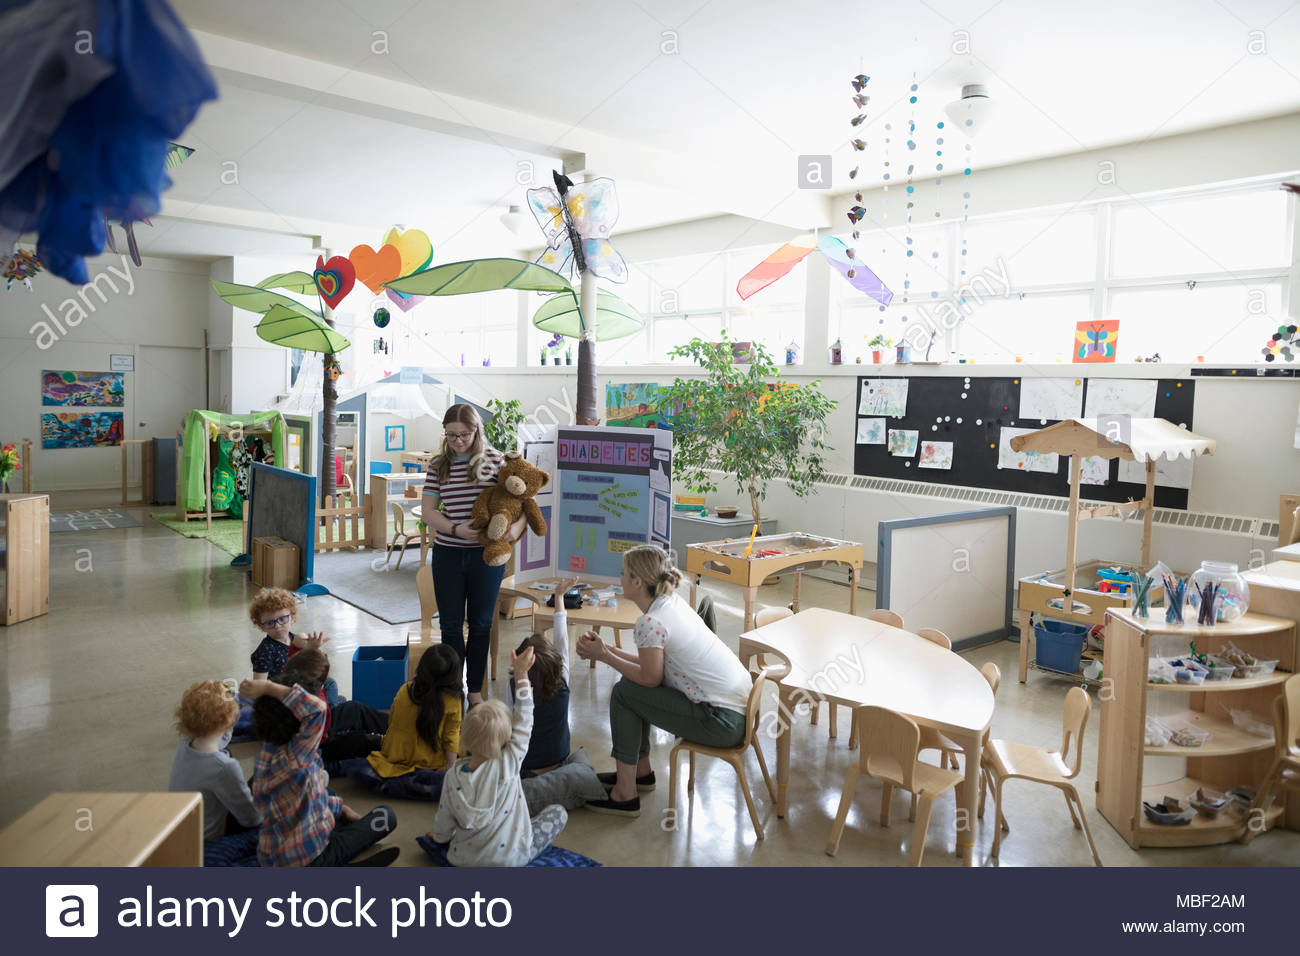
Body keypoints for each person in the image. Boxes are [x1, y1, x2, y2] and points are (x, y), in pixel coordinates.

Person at [578, 545, 752, 818]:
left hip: (722, 721)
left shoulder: (651, 622)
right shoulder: (671, 604)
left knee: (625, 693)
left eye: (623, 574)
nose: (619, 579)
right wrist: (606, 651)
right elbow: (651, 667)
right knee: (631, 687)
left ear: (636, 582)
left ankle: (625, 793)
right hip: (738, 712)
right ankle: (641, 773)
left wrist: (604, 656)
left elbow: (649, 678)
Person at [421, 404, 526, 705]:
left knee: (481, 624)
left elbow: (525, 501)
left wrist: (516, 529)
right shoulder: (438, 465)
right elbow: (429, 511)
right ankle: (453, 689)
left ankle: (476, 691)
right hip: (449, 553)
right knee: (451, 625)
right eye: (451, 435)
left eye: (463, 435)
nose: (457, 441)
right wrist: (454, 529)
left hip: (486, 557)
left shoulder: (496, 461)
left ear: (477, 430)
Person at [430, 646, 569, 866]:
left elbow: (444, 822)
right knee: (558, 813)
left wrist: (439, 838)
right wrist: (521, 675)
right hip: (510, 859)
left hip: (464, 860)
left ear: (465, 738)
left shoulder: (452, 776)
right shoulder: (508, 763)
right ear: (505, 740)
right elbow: (525, 719)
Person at [242, 676, 399, 867]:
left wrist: (341, 808)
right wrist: (267, 686)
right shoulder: (300, 756)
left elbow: (310, 797)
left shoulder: (266, 755)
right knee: (386, 816)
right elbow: (316, 708)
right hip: (311, 856)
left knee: (331, 797)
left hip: (273, 856)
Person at [168, 680, 261, 840]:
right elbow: (251, 819)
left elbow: (219, 739)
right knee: (258, 780)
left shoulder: (185, 743)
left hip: (181, 830)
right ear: (229, 721)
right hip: (207, 840)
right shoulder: (224, 767)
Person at [510, 577, 580, 774]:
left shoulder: (514, 685)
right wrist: (559, 596)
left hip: (526, 765)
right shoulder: (562, 680)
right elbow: (561, 638)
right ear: (556, 663)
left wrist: (518, 671)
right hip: (559, 759)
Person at [366, 643, 464, 779]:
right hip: (430, 760)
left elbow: (392, 721)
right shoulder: (453, 700)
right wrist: (450, 765)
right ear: (454, 673)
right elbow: (451, 735)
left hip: (395, 753)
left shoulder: (405, 689)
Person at [280, 650, 387, 762]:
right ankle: (387, 741)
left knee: (353, 708)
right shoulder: (314, 706)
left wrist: (314, 649)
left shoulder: (293, 683)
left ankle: (393, 725)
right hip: (316, 748)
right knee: (360, 740)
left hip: (321, 730)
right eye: (323, 681)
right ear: (317, 685)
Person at [247, 588, 343, 706]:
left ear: (292, 618)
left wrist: (313, 648)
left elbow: (317, 667)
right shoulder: (265, 651)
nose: (277, 626)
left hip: (302, 685)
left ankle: (333, 705)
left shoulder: (296, 639)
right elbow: (259, 685)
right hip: (285, 695)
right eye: (269, 623)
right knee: (333, 692)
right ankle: (331, 711)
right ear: (261, 626)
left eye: (282, 619)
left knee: (329, 682)